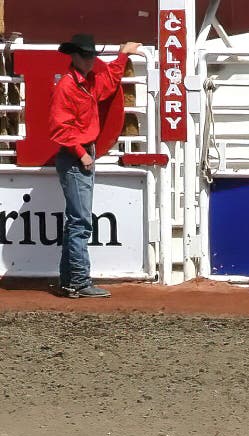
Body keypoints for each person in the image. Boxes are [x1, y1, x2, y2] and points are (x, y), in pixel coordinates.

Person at [49, 34, 142, 298]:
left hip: (78, 155)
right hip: (77, 157)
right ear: (75, 56)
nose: (90, 61)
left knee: (76, 221)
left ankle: (70, 281)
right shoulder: (70, 86)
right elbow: (59, 128)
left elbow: (109, 81)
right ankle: (78, 281)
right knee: (80, 222)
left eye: (91, 56)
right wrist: (81, 153)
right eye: (87, 56)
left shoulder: (83, 83)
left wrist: (123, 54)